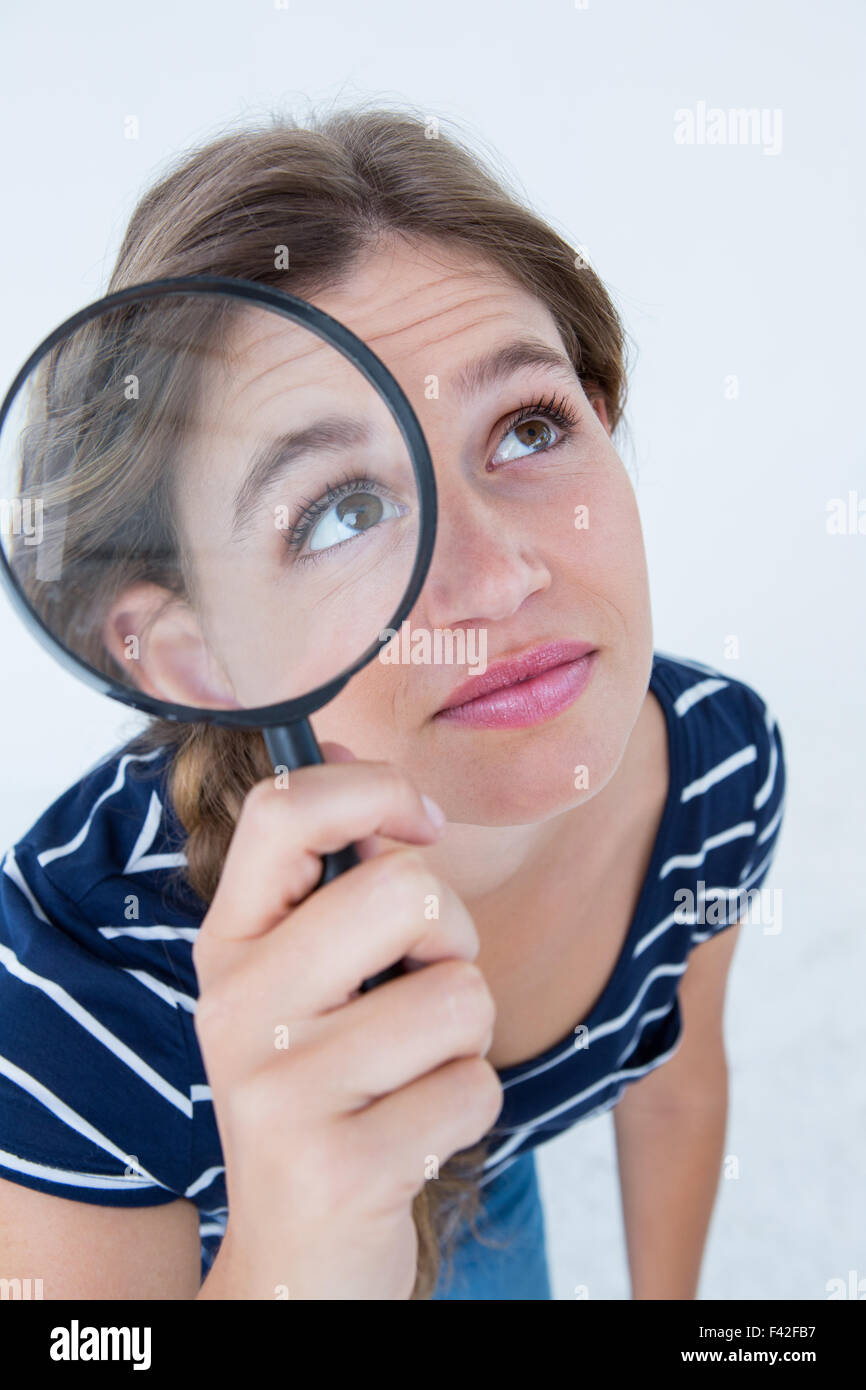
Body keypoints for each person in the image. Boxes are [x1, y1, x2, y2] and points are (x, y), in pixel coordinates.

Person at [0, 104, 786, 1300]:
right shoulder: (72, 981)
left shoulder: (722, 771)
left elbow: (672, 1081)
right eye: (339, 511)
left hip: (485, 1172)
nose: (498, 576)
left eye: (526, 428)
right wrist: (295, 1258)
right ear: (191, 655)